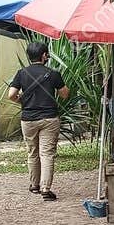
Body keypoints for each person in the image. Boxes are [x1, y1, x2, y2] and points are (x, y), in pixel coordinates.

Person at [8, 40, 69, 200]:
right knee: (47, 154)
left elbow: (11, 95)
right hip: (49, 118)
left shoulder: (21, 73)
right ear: (44, 55)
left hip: (28, 119)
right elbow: (64, 94)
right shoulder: (53, 73)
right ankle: (45, 189)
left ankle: (34, 185)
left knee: (32, 152)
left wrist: (22, 101)